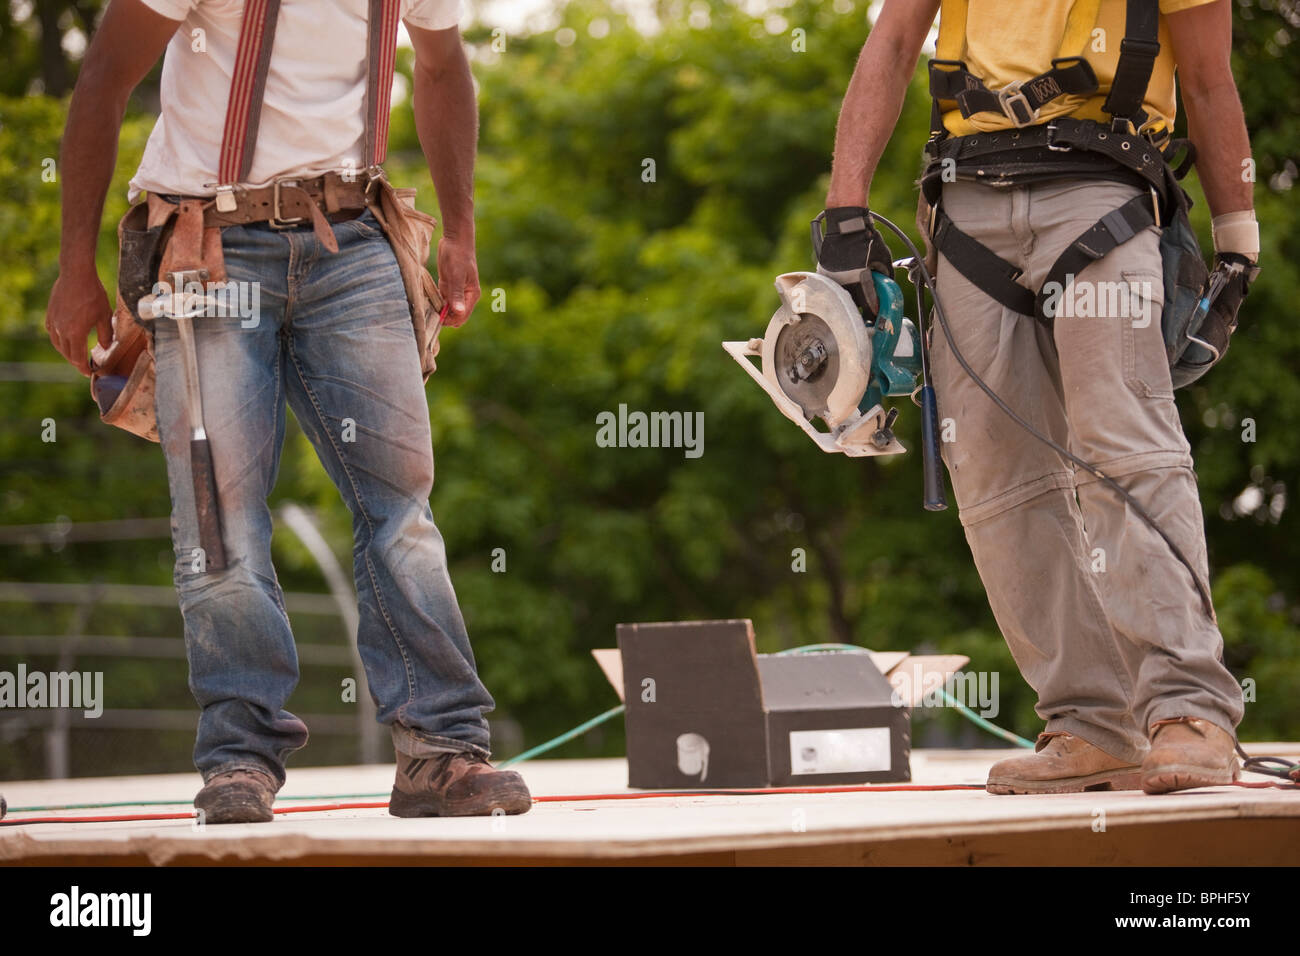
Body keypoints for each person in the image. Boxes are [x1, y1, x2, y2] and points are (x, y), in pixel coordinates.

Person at [44, 0, 530, 822]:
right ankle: (240, 756)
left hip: (352, 236)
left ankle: (439, 751)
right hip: (208, 241)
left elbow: (444, 69)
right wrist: (73, 268)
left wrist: (461, 234)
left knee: (400, 505)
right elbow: (102, 80)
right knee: (219, 515)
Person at [817, 0, 1257, 794]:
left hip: (1101, 190)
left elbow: (1208, 76)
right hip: (966, 198)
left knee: (1123, 440)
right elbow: (891, 44)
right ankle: (1094, 723)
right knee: (991, 468)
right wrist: (844, 210)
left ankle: (1190, 713)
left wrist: (1239, 241)